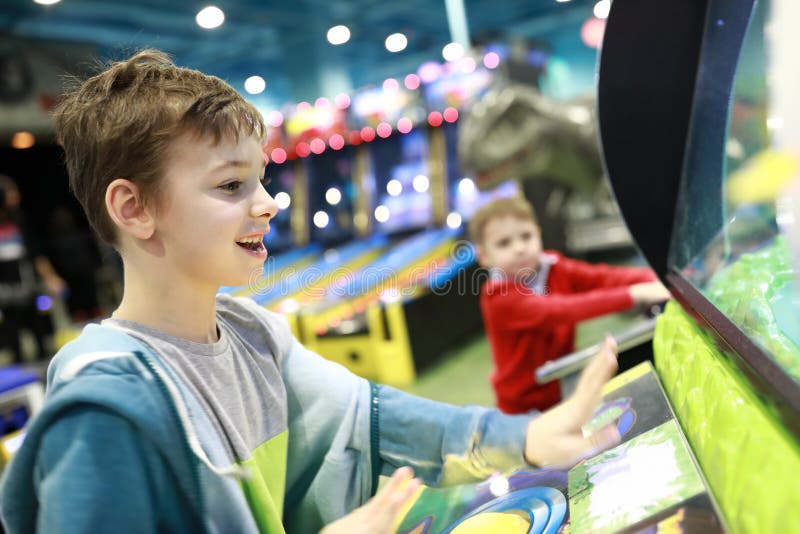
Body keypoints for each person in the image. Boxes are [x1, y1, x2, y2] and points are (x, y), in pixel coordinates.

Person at [0, 51, 623, 534]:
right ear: (133, 208)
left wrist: (525, 439)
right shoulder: (104, 412)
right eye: (230, 186)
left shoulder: (252, 334)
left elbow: (378, 419)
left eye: (261, 179)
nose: (269, 204)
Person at [469, 196, 670, 414]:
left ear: (539, 233)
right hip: (524, 408)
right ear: (484, 256)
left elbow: (601, 277)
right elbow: (559, 309)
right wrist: (635, 293)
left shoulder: (553, 266)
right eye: (504, 243)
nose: (519, 248)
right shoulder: (499, 297)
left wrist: (658, 277)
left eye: (526, 236)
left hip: (565, 387)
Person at [0, 174, 66, 362]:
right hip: (4, 295)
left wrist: (51, 277)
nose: (16, 196)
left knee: (42, 336)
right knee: (13, 344)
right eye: (11, 192)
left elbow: (36, 254)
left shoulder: (20, 220)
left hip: (28, 289)